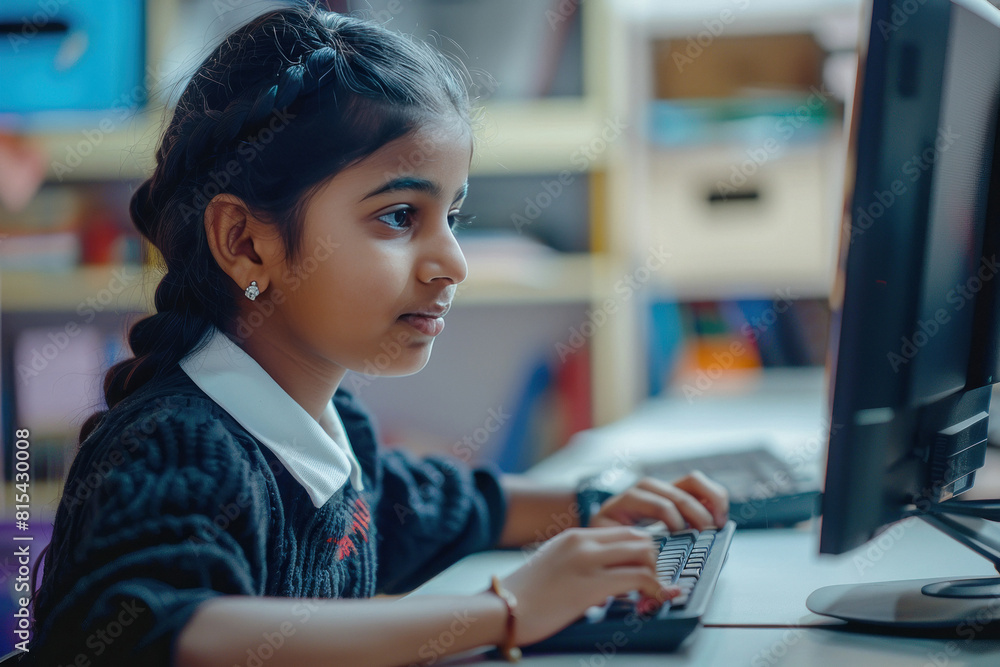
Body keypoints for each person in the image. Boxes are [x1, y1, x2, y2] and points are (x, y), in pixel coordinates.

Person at [23, 5, 728, 666]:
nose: (452, 261)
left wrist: (594, 503)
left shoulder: (330, 427)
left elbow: (431, 509)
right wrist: (506, 609)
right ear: (245, 242)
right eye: (398, 217)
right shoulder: (179, 444)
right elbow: (171, 630)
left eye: (453, 215)